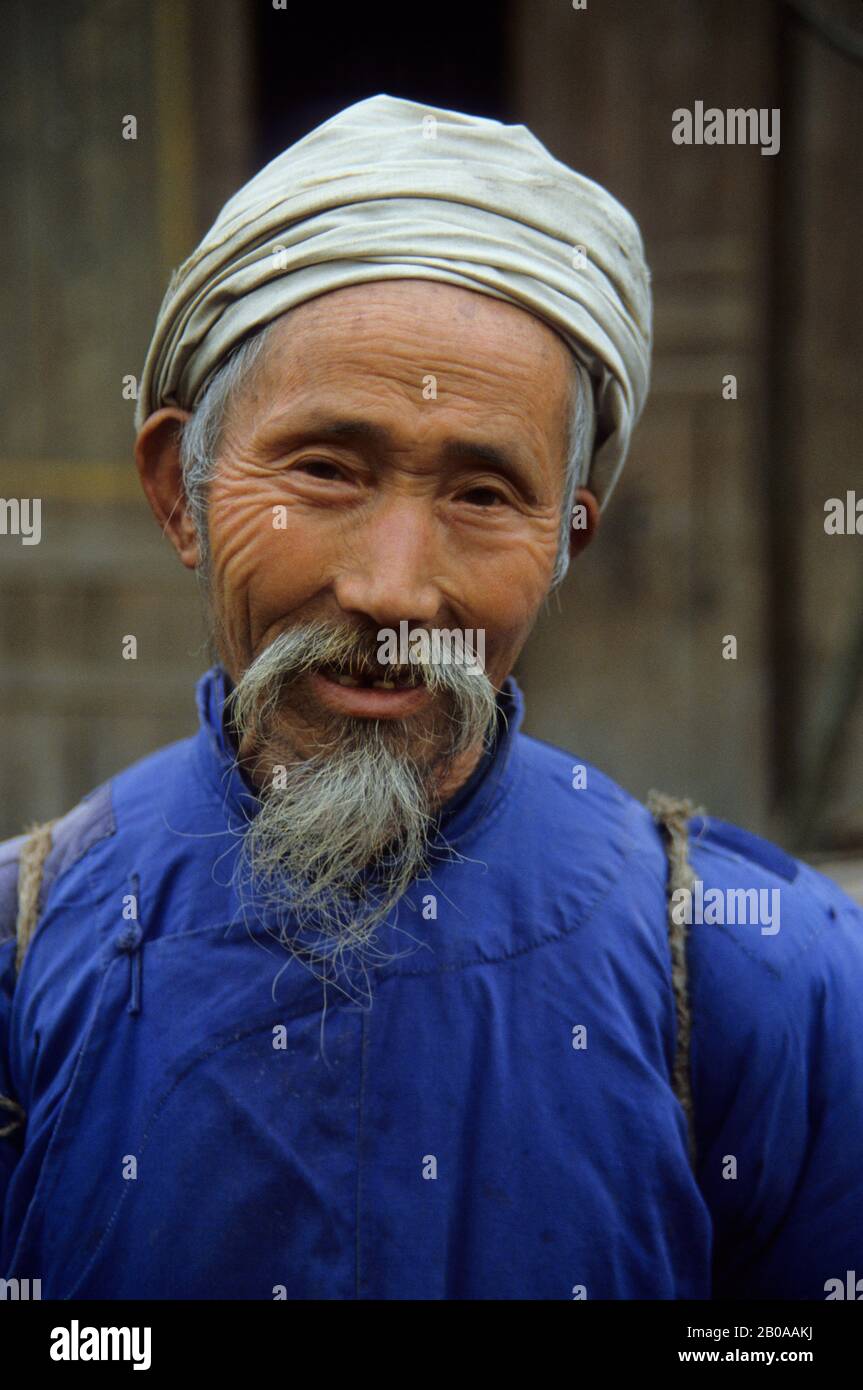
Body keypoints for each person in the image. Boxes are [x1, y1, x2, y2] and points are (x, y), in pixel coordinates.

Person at [1, 95, 861, 1300]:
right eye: (325, 469)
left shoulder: (767, 984)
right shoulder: (23, 957)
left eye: (482, 494)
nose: (393, 586)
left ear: (566, 539)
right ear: (177, 489)